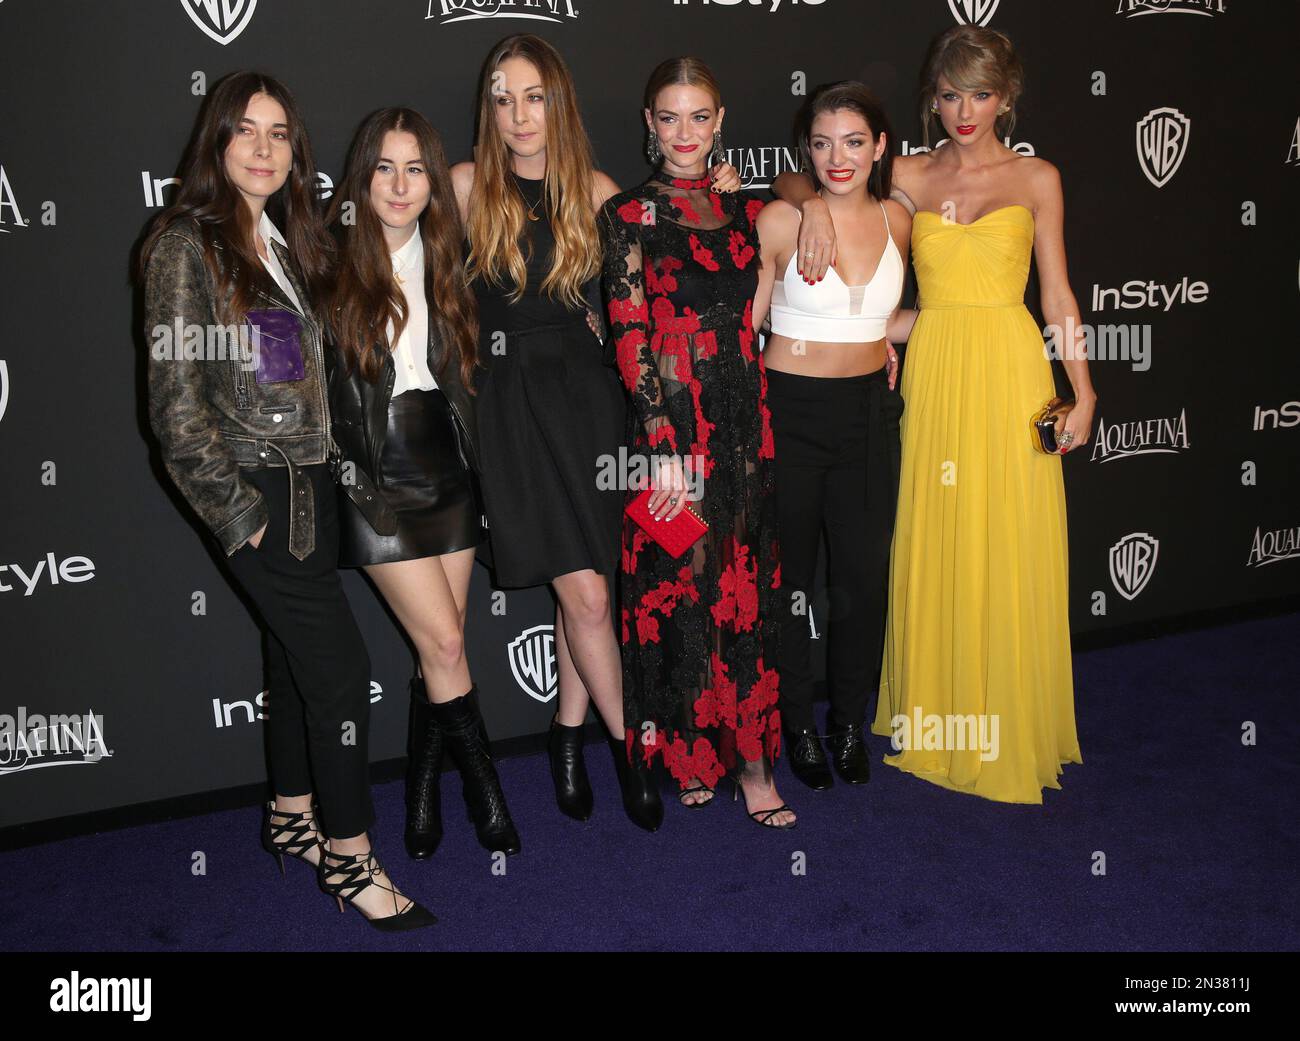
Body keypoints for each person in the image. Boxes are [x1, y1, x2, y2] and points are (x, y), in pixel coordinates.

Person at [141, 72, 432, 929]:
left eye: (279, 133)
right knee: (341, 672)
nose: (264, 149)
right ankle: (349, 855)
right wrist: (241, 516)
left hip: (311, 486)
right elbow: (175, 410)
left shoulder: (282, 237)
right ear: (217, 141)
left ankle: (293, 816)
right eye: (246, 130)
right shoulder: (184, 245)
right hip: (259, 488)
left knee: (290, 661)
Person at [779, 26, 1092, 803]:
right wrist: (812, 206)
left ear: (1006, 98)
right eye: (950, 94)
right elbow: (810, 180)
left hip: (1011, 374)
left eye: (980, 94)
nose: (964, 110)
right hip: (936, 374)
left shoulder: (1038, 178)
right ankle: (936, 716)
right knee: (933, 536)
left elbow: (1056, 294)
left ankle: (1003, 717)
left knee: (1005, 541)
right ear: (932, 99)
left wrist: (1082, 389)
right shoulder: (910, 174)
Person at [452, 35, 739, 832]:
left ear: (560, 103)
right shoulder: (465, 186)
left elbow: (683, 267)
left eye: (534, 96)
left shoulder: (600, 191)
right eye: (503, 98)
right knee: (583, 592)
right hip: (513, 408)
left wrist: (739, 182)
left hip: (593, 403)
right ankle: (632, 754)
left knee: (589, 584)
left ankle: (566, 732)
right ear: (488, 109)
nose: (520, 115)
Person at [601, 57, 794, 828]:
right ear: (649, 124)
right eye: (670, 117)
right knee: (683, 583)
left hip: (745, 422)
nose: (685, 132)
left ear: (720, 122)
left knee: (742, 586)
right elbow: (629, 333)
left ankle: (752, 762)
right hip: (673, 426)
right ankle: (690, 753)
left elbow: (809, 199)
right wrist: (660, 443)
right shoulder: (626, 214)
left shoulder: (744, 209)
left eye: (700, 116)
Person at [325, 107, 520, 862]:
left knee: (441, 647)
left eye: (415, 169)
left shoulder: (450, 255)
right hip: (374, 474)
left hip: (447, 464)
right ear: (362, 177)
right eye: (385, 168)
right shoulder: (326, 259)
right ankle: (488, 797)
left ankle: (420, 793)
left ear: (435, 181)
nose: (401, 185)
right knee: (442, 640)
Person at [757, 82, 913, 792]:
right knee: (788, 582)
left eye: (853, 141)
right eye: (821, 144)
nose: (837, 157)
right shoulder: (781, 219)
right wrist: (808, 201)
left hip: (869, 415)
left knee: (861, 581)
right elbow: (744, 324)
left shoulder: (899, 219)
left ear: (880, 146)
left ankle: (849, 721)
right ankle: (795, 724)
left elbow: (889, 317)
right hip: (788, 412)